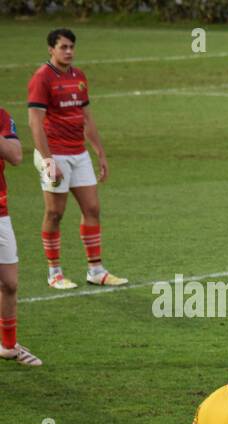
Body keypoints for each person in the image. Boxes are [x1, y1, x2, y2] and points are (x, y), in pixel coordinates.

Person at [26, 28, 126, 289]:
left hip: (78, 152)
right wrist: (48, 159)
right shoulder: (42, 78)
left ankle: (96, 270)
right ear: (51, 49)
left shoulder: (78, 77)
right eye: (63, 47)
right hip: (55, 152)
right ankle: (54, 272)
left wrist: (100, 153)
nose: (68, 51)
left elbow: (87, 119)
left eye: (71, 47)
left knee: (92, 208)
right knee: (55, 212)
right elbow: (35, 123)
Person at [0, 105, 39, 366]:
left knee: (10, 283)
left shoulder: (1, 116)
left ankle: (8, 346)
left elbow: (15, 156)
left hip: (0, 212)